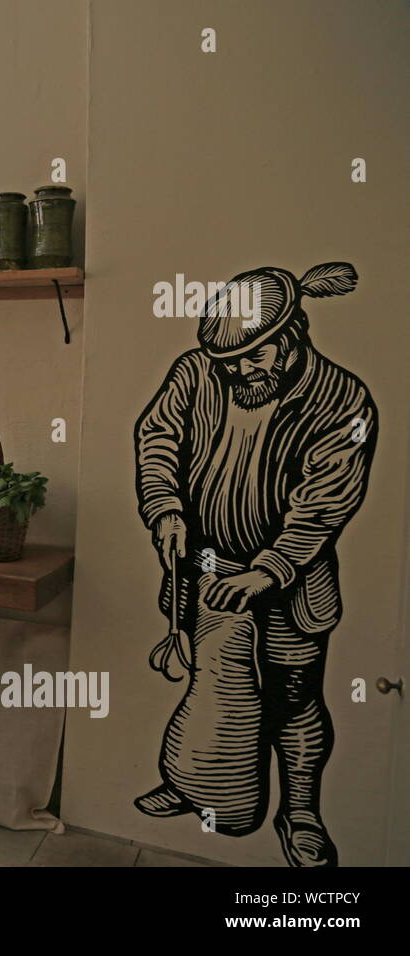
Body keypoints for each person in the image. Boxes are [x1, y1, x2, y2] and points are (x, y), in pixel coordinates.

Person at [133, 262, 376, 867]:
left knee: (292, 701)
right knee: (212, 685)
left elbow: (326, 500)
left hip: (289, 584)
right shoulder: (197, 373)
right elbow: (157, 435)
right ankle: (197, 787)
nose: (237, 371)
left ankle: (301, 815)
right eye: (227, 361)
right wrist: (165, 510)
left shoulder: (343, 398)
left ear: (290, 338)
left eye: (251, 357)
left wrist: (268, 569)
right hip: (206, 567)